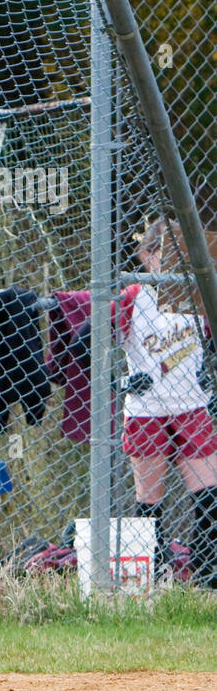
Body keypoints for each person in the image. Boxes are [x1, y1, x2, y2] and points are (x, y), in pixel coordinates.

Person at [115, 218, 217, 588]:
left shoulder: (198, 294)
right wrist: (123, 381)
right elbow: (85, 343)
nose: (176, 259)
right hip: (148, 410)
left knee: (209, 492)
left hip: (191, 404)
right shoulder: (134, 298)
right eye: (163, 251)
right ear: (147, 255)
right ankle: (151, 578)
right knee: (150, 500)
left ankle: (206, 572)